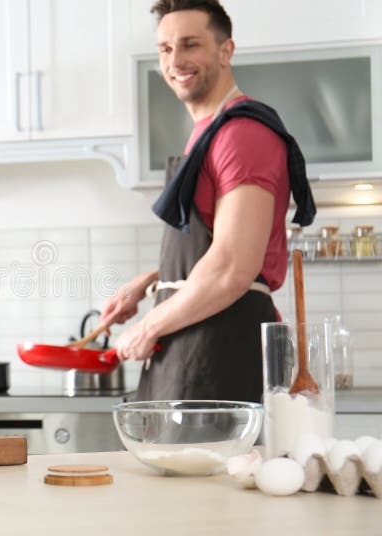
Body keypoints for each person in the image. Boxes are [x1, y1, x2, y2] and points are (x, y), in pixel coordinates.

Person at [101, 0, 316, 403]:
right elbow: (212, 248)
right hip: (197, 348)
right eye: (165, 48)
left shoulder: (242, 133)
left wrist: (148, 327)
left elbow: (233, 268)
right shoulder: (209, 132)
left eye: (190, 45)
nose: (175, 60)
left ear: (225, 50)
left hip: (221, 353)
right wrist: (152, 283)